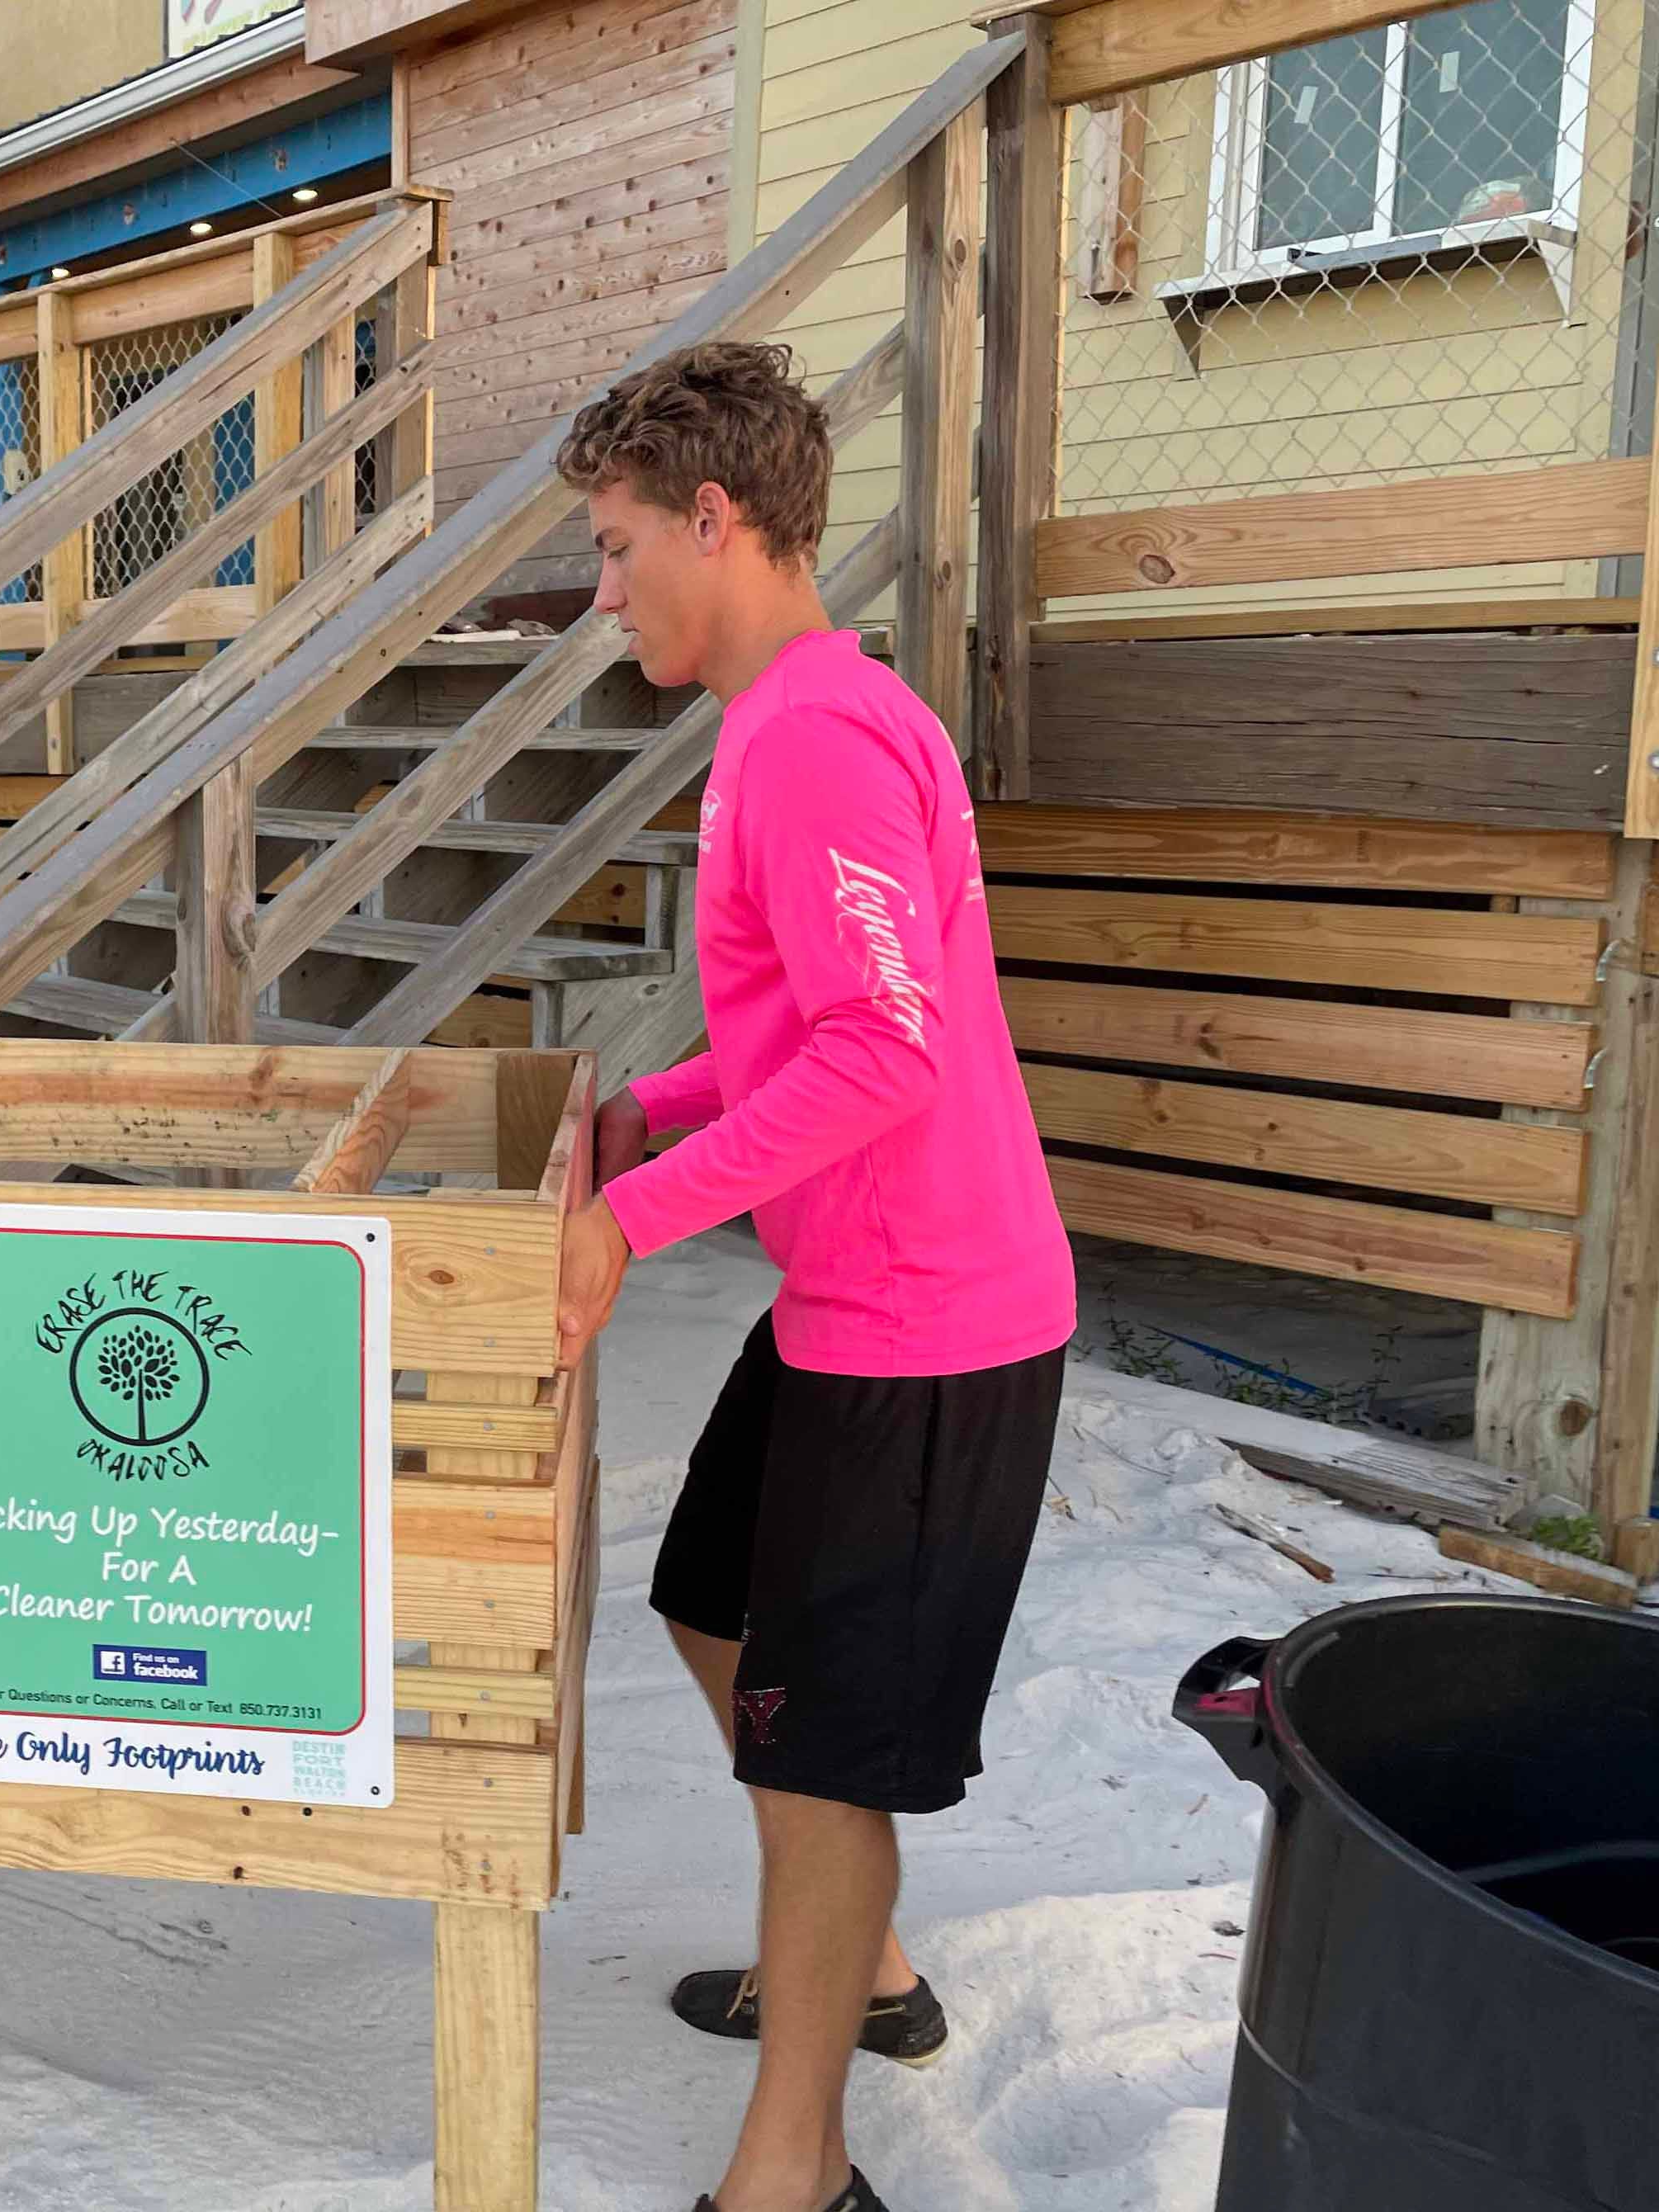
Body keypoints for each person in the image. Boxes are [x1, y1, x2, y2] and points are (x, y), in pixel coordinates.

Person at [550, 344, 1075, 2212]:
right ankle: (869, 1966)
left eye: (616, 546)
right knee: (711, 1601)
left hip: (928, 1328)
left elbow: (883, 1054)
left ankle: (795, 2173)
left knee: (820, 1759)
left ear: (713, 519)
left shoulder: (818, 741)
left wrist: (632, 1215)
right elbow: (821, 1021)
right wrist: (663, 1106)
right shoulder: (799, 715)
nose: (603, 592)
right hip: (853, 1302)